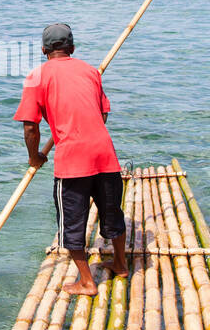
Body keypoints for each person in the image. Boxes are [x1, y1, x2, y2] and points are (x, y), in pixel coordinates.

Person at [14, 22, 127, 296]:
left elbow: (31, 126)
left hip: (73, 161)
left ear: (43, 50)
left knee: (72, 222)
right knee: (112, 212)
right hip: (105, 154)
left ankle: (87, 282)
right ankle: (121, 263)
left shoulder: (37, 76)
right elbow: (102, 115)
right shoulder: (90, 71)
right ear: (72, 48)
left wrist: (35, 157)